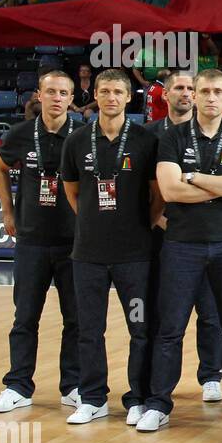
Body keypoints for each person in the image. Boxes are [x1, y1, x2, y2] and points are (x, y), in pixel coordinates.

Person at [145, 69, 222, 432]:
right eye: (204, 91)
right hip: (182, 244)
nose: (210, 97)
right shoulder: (174, 136)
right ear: (193, 96)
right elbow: (170, 191)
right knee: (170, 328)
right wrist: (220, 186)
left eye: (217, 92)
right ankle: (159, 403)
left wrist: (192, 176)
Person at [59, 70, 161, 424]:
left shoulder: (145, 140)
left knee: (140, 328)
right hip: (88, 255)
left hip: (134, 255)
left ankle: (138, 398)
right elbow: (72, 192)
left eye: (118, 91)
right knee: (89, 329)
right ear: (96, 96)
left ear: (129, 96)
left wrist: (139, 224)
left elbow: (157, 195)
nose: (111, 98)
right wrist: (92, 220)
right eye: (105, 91)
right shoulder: (76, 141)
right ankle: (92, 397)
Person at [0, 70, 81, 414]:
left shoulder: (84, 135)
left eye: (64, 93)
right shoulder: (21, 134)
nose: (57, 97)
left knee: (76, 319)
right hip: (31, 240)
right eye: (51, 91)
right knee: (25, 317)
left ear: (72, 99)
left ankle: (72, 385)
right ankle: (17, 386)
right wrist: (8, 213)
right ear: (39, 96)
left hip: (75, 243)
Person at [143, 71, 222, 405]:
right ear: (165, 94)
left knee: (211, 312)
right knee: (164, 316)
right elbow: (151, 188)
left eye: (193, 88)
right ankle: (156, 385)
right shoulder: (148, 135)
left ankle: (210, 376)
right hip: (162, 238)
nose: (187, 93)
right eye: (180, 87)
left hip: (202, 234)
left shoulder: (214, 133)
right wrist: (157, 218)